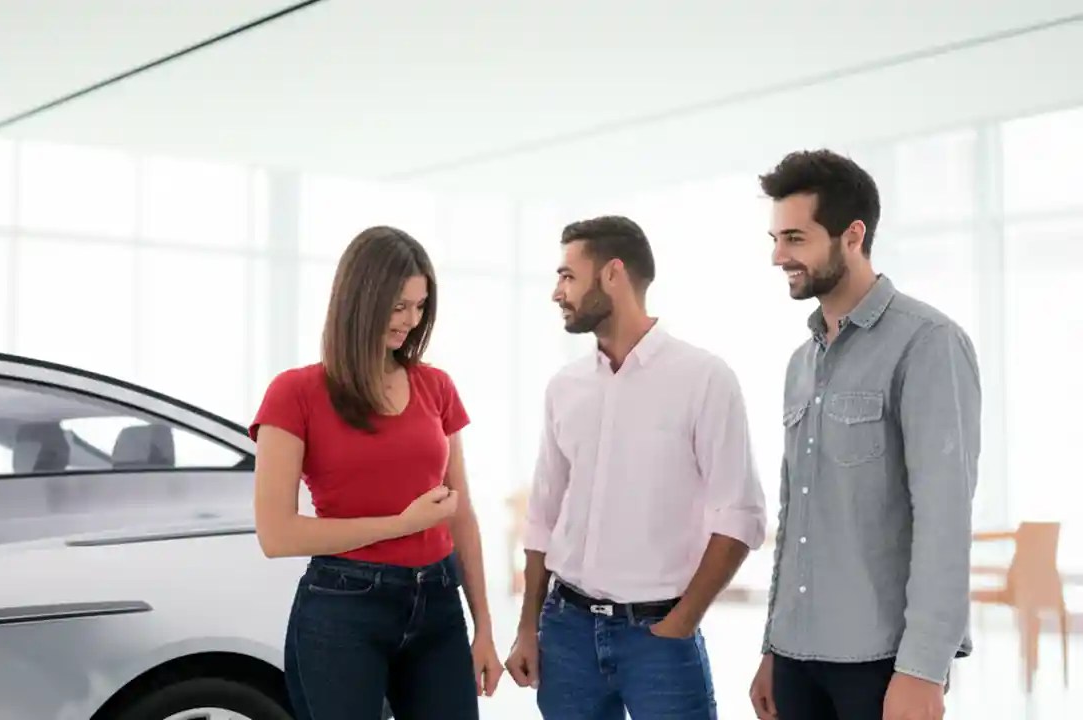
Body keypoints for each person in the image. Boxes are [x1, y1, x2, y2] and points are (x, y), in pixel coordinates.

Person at [504, 215, 768, 719]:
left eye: (567, 276)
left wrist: (681, 622)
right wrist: (528, 628)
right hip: (566, 633)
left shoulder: (704, 379)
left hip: (659, 637)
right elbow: (544, 515)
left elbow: (740, 516)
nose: (557, 292)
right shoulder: (565, 387)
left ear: (612, 274)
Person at [749, 150, 981, 720]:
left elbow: (944, 518)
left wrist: (923, 668)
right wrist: (771, 647)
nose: (778, 255)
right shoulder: (800, 364)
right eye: (776, 238)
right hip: (796, 658)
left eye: (796, 238)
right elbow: (795, 514)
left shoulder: (928, 343)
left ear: (852, 236)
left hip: (881, 664)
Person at [250, 226, 503, 720]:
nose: (412, 320)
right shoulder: (295, 392)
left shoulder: (435, 386)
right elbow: (276, 534)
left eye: (420, 305)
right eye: (398, 306)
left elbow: (462, 514)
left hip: (438, 602)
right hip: (343, 608)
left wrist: (485, 629)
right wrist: (400, 525)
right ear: (360, 300)